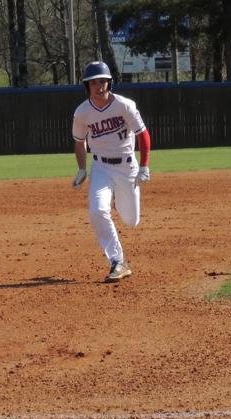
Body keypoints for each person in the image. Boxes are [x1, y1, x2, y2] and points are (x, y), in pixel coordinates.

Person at [71, 61, 152, 282]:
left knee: (131, 220)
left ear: (110, 83)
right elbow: (79, 142)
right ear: (87, 85)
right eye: (95, 82)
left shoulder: (124, 105)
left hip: (127, 167)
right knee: (97, 211)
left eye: (104, 81)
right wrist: (81, 169)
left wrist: (144, 164)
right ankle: (118, 261)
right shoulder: (82, 112)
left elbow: (143, 134)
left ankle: (117, 197)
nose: (100, 86)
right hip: (101, 167)